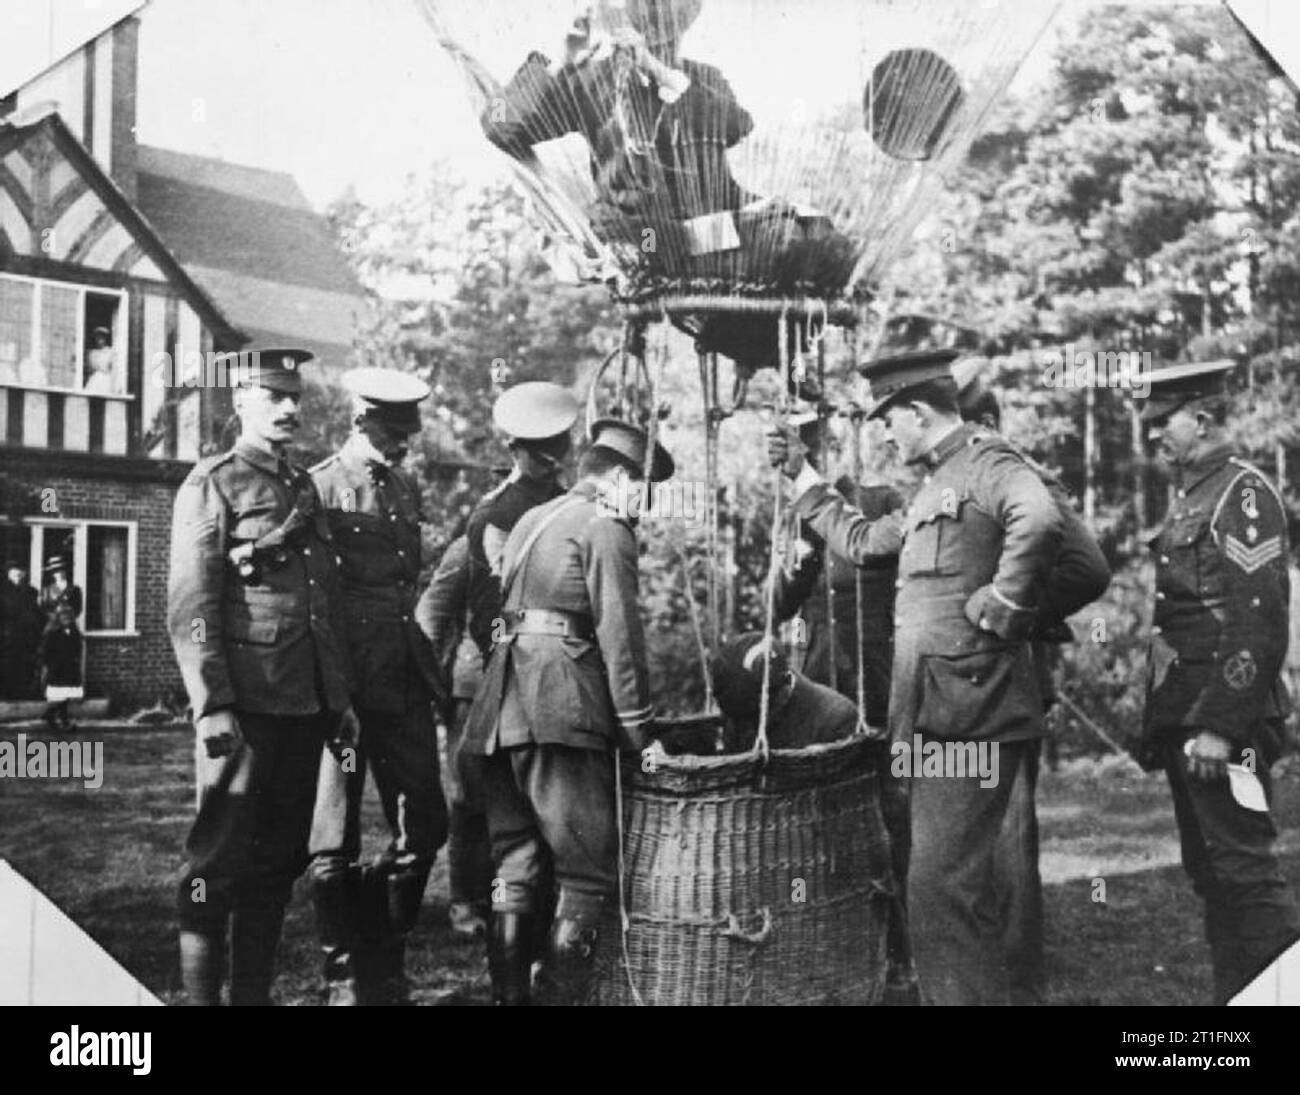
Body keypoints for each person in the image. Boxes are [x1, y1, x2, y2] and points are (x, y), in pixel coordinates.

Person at [769, 349, 1064, 1006]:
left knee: (942, 889)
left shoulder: (985, 465)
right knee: (946, 890)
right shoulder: (934, 485)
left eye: (888, 421)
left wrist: (1009, 606)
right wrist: (803, 480)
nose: (883, 435)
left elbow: (1043, 522)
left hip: (969, 711)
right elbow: (867, 542)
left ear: (916, 411)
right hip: (933, 712)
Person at [167, 347, 359, 1006]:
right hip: (244, 706)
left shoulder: (302, 488)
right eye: (272, 395)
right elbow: (192, 606)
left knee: (278, 861)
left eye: (294, 397)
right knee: (216, 861)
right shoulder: (213, 483)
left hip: (303, 704)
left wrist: (338, 699)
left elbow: (321, 604)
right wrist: (212, 702)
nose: (288, 408)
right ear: (238, 401)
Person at [462, 418, 672, 1006]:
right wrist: (639, 733)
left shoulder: (534, 517)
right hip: (561, 708)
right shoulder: (607, 525)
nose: (646, 508)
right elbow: (619, 635)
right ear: (620, 478)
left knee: (517, 860)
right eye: (645, 493)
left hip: (501, 708)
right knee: (586, 871)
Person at [1133, 359, 1300, 1005]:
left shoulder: (1243, 494)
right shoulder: (1195, 495)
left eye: (1161, 422)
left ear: (1201, 418)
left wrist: (1219, 727)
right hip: (1191, 726)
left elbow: (1258, 623)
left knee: (1246, 876)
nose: (1151, 436)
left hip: (1223, 728)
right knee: (1215, 877)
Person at [953, 358, 1111, 1006]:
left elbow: (1088, 568)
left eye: (962, 429)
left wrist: (1009, 617)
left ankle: (1021, 983)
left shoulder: (1025, 481)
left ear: (987, 423)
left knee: (1011, 833)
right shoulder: (960, 487)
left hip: (1011, 679)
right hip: (960, 686)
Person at [307, 367, 450, 1006]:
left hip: (400, 679)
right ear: (362, 420)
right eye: (394, 433)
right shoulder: (317, 488)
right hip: (343, 686)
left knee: (424, 819)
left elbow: (403, 592)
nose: (404, 445)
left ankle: (386, 964)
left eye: (407, 434)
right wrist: (333, 694)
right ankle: (344, 978)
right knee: (333, 834)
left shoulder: (405, 488)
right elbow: (317, 603)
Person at [464, 382, 581, 663]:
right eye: (541, 460)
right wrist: (502, 662)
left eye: (556, 459)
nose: (551, 468)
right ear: (514, 451)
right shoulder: (496, 515)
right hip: (518, 656)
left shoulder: (569, 504)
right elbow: (487, 608)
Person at [416, 534, 494, 939]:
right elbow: (430, 613)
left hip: (529, 679)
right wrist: (434, 683)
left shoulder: (549, 526)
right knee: (469, 796)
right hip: (474, 683)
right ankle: (465, 899)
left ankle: (513, 895)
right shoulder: (471, 545)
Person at [709, 631, 862, 751]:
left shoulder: (834, 720)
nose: (747, 725)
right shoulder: (738, 709)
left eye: (754, 716)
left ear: (782, 693)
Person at [1, 561, 44, 699]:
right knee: (8, 664)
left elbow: (37, 614)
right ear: (9, 574)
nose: (18, 575)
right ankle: (6, 693)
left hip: (27, 636)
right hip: (8, 636)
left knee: (26, 664)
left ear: (25, 574)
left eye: (21, 572)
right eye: (15, 572)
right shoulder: (3, 593)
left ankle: (23, 693)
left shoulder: (31, 592)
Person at [39, 603, 84, 731]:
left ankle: (51, 716)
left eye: (69, 617)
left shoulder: (74, 632)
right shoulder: (52, 633)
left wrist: (76, 659)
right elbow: (46, 651)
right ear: (58, 618)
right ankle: (60, 720)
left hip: (70, 668)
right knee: (60, 696)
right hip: (57, 669)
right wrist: (49, 665)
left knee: (66, 696)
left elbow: (77, 648)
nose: (66, 619)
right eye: (63, 616)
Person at [41, 557, 83, 622]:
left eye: (61, 570)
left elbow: (78, 609)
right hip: (52, 625)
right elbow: (43, 609)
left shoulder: (75, 590)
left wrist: (67, 616)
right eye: (55, 571)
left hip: (69, 623)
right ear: (52, 573)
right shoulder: (47, 591)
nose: (59, 573)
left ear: (66, 570)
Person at [85, 326, 117, 394]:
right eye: (97, 338)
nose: (99, 341)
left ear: (105, 339)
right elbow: (90, 369)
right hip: (95, 379)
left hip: (106, 378)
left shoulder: (110, 352)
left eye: (101, 338)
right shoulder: (92, 353)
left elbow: (113, 368)